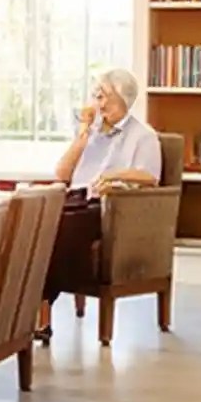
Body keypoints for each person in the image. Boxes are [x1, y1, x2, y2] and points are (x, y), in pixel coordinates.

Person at [38, 68, 163, 342]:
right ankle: (38, 314)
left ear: (123, 99)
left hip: (108, 208)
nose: (98, 102)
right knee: (39, 222)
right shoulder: (90, 132)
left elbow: (150, 177)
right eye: (96, 95)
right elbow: (61, 174)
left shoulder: (143, 136)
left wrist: (113, 175)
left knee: (62, 228)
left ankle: (41, 313)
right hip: (74, 198)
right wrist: (82, 136)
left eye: (104, 96)